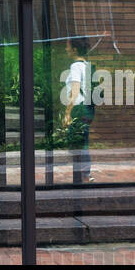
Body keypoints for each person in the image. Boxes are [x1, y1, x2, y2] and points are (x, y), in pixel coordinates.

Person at [61, 36, 95, 185]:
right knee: (83, 142)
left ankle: (82, 176)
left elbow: (74, 92)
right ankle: (85, 174)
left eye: (68, 46)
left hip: (79, 109)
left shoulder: (75, 66)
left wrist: (67, 113)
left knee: (76, 143)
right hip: (88, 109)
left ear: (74, 49)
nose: (66, 49)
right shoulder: (87, 65)